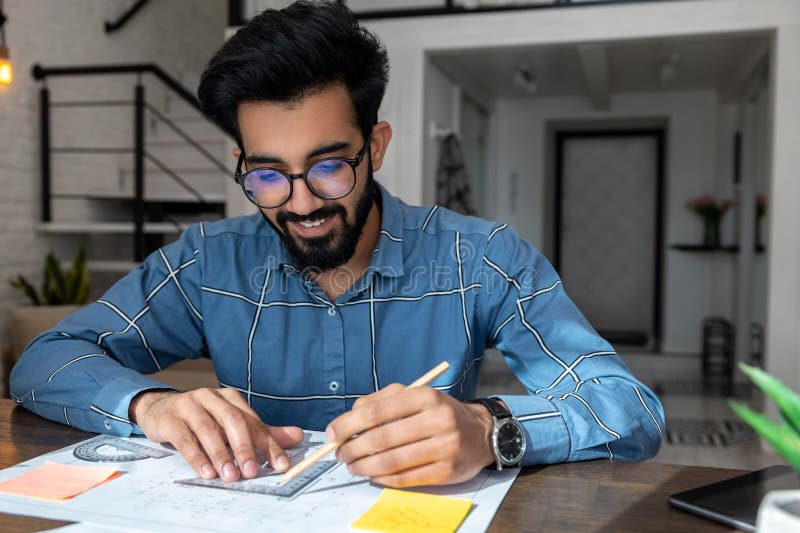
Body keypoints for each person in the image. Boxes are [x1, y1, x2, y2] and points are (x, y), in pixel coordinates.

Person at [10, 1, 664, 489]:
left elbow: (630, 410)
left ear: (374, 145)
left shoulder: (482, 257)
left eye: (328, 166)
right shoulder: (206, 263)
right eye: (267, 174)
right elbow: (44, 361)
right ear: (241, 163)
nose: (299, 202)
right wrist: (150, 405)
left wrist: (491, 428)